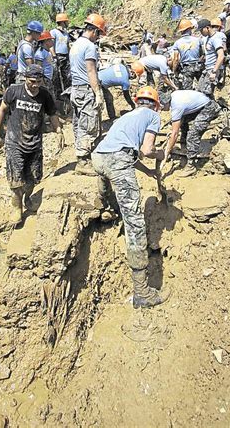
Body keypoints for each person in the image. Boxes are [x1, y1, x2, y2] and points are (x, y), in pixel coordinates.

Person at [91, 86, 169, 309]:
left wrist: (149, 172)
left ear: (137, 102)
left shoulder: (128, 116)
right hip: (117, 161)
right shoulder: (153, 116)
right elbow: (145, 149)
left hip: (99, 158)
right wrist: (159, 154)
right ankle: (142, 293)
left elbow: (127, 154)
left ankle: (107, 206)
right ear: (156, 105)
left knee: (108, 178)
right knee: (135, 222)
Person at [0, 64, 61, 225]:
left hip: (35, 143)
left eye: (38, 81)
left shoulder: (45, 95)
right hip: (14, 141)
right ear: (25, 78)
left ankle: (27, 198)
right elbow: (2, 110)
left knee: (33, 177)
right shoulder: (14, 91)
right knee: (16, 178)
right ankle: (17, 208)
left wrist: (59, 131)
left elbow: (52, 114)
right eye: (32, 81)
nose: (35, 85)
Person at [69, 13, 107, 175]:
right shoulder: (90, 47)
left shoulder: (76, 45)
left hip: (75, 89)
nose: (98, 38)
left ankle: (83, 155)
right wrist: (98, 93)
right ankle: (83, 161)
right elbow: (91, 71)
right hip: (86, 90)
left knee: (78, 124)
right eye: (99, 34)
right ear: (95, 31)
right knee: (89, 125)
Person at [162, 89, 221, 177]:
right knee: (182, 120)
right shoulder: (173, 95)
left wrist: (166, 154)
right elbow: (178, 121)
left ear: (166, 102)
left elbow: (175, 134)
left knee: (193, 135)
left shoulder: (177, 106)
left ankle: (191, 165)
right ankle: (184, 145)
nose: (162, 109)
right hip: (201, 106)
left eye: (162, 106)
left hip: (209, 108)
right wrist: (172, 131)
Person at [170, 19, 203, 90]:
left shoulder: (177, 43)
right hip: (198, 65)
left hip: (186, 68)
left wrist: (174, 70)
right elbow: (202, 54)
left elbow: (176, 59)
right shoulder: (198, 40)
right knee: (202, 87)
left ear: (181, 31)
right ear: (190, 29)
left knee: (187, 90)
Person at [196, 18, 227, 94]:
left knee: (206, 93)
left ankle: (214, 106)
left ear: (207, 28)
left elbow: (221, 55)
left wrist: (214, 71)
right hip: (208, 69)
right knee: (199, 91)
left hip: (213, 69)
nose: (201, 33)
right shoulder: (208, 39)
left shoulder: (215, 39)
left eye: (201, 30)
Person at [50, 12, 71, 93]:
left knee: (67, 76)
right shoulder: (54, 32)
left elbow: (67, 45)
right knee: (57, 77)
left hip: (66, 56)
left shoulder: (66, 33)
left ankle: (67, 91)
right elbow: (51, 45)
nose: (67, 23)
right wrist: (54, 56)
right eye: (66, 21)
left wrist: (70, 55)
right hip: (58, 56)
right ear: (62, 22)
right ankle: (58, 94)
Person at [35, 30, 55, 95]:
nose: (52, 42)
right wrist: (42, 82)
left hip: (48, 79)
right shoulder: (40, 53)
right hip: (44, 80)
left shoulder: (47, 52)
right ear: (46, 41)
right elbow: (38, 68)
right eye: (50, 40)